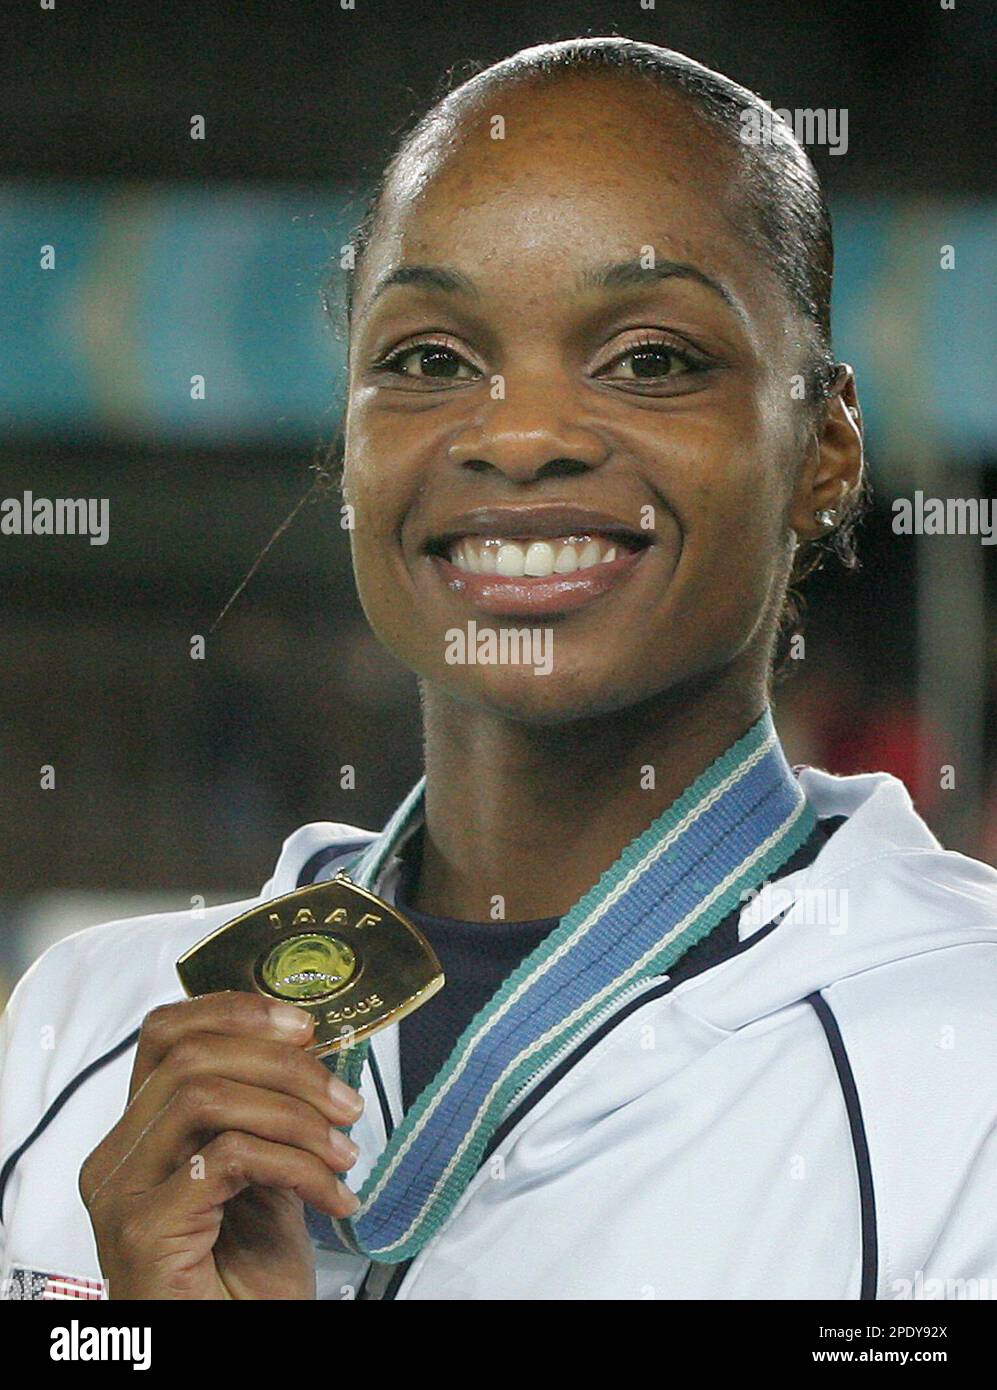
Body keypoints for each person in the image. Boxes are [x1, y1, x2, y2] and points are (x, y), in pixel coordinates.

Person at [2, 37, 996, 1302]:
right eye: (429, 360)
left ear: (826, 450)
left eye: (650, 358)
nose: (519, 435)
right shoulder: (84, 1034)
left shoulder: (967, 1063)